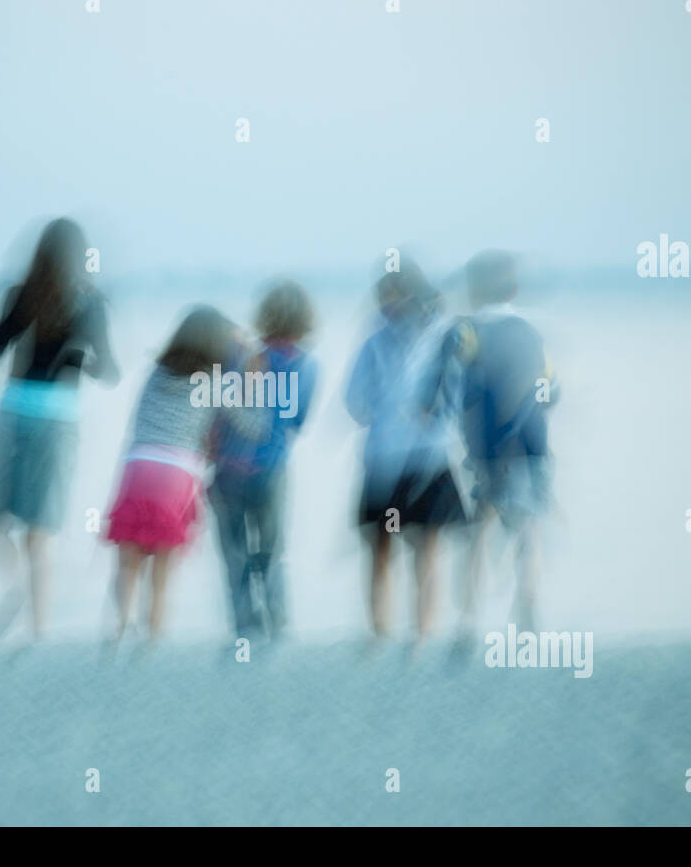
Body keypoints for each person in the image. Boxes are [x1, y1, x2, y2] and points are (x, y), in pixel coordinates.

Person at [0, 217, 118, 644]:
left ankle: (18, 599)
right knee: (40, 532)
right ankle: (38, 631)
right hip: (57, 421)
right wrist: (78, 360)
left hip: (13, 413)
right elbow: (108, 370)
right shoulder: (89, 303)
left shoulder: (23, 295)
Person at [104, 306, 241, 642]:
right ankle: (154, 636)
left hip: (138, 465)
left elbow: (139, 419)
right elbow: (241, 422)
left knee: (128, 561)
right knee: (163, 568)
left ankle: (119, 629)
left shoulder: (156, 373)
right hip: (177, 475)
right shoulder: (213, 382)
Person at [443, 250, 559, 645]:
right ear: (515, 288)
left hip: (487, 450)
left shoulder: (466, 332)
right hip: (530, 444)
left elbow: (457, 392)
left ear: (473, 290)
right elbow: (551, 390)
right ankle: (527, 615)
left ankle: (468, 620)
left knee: (479, 530)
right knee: (530, 530)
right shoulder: (531, 332)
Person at [345, 265, 466, 643]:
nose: (386, 306)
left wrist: (385, 414)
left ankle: (385, 633)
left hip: (390, 460)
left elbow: (355, 403)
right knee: (422, 550)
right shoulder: (446, 333)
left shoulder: (376, 340)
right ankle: (420, 634)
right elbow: (459, 396)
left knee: (385, 549)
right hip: (426, 457)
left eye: (389, 297)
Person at [207, 279, 318, 641]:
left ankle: (243, 627)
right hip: (272, 469)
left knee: (234, 555)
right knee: (271, 552)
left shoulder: (239, 354)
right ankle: (278, 624)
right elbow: (296, 420)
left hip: (228, 468)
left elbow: (216, 406)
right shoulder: (307, 365)